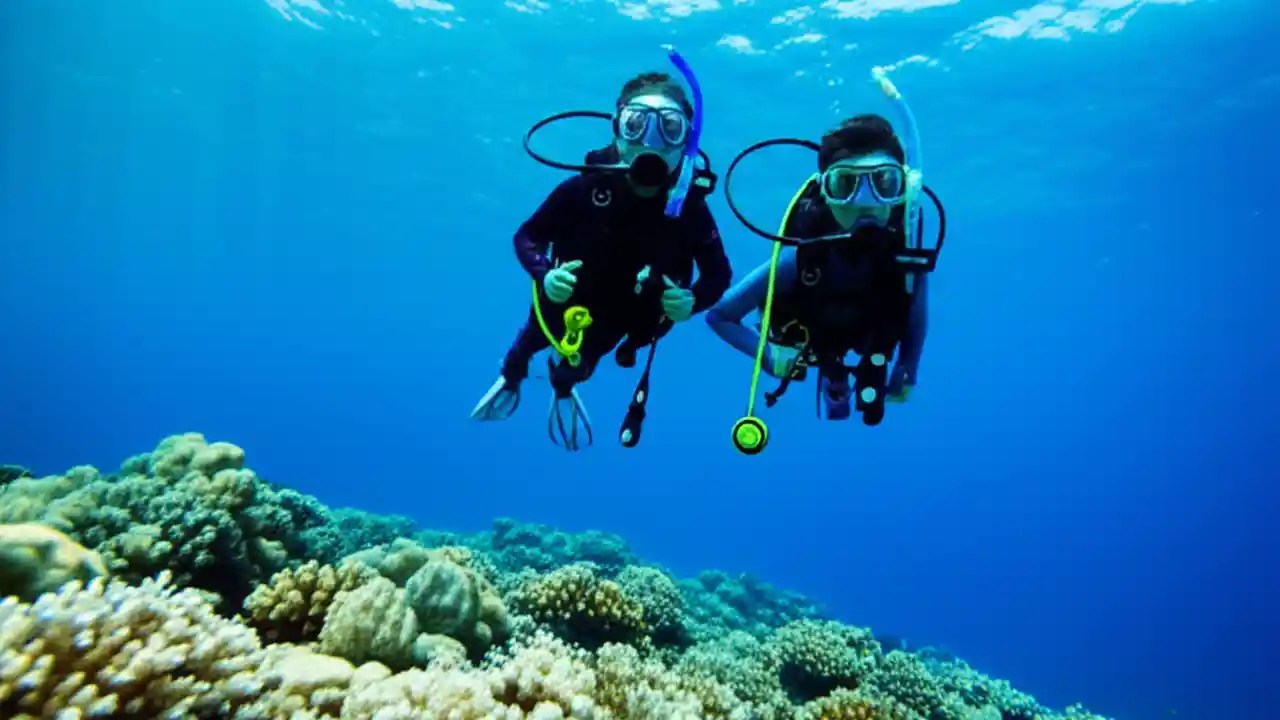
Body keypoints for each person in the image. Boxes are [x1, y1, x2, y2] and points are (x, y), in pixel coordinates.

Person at [471, 55, 732, 452]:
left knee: (575, 369)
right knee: (526, 346)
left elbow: (718, 275)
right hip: (561, 299)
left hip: (625, 316)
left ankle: (561, 387)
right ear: (617, 129)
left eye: (670, 128)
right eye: (636, 124)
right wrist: (544, 275)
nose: (651, 140)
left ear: (688, 142)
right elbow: (527, 236)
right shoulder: (582, 190)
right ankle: (510, 378)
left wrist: (692, 301)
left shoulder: (691, 210)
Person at [708, 70, 946, 454]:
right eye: (846, 185)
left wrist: (907, 365)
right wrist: (768, 357)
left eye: (884, 184)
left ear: (904, 192)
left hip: (873, 338)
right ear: (826, 193)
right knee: (826, 354)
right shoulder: (798, 262)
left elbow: (916, 315)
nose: (866, 201)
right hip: (810, 337)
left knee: (877, 352)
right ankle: (831, 370)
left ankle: (848, 372)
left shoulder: (906, 260)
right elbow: (720, 315)